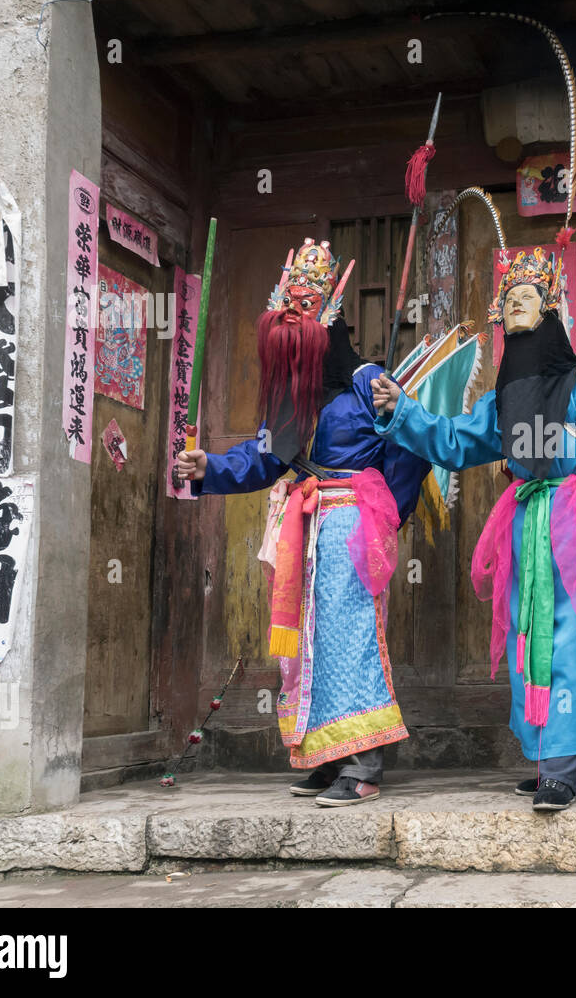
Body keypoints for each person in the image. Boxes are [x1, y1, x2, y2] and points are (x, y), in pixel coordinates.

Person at [371, 243, 576, 812]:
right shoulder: (506, 403)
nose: (517, 308)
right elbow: (451, 442)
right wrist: (403, 409)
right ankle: (565, 758)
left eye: (528, 300)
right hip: (526, 522)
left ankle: (561, 765)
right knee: (531, 637)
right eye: (510, 302)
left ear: (551, 312)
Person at [173, 238, 430, 807]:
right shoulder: (291, 398)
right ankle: (326, 752)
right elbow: (265, 457)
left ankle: (363, 763)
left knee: (348, 636)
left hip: (349, 523)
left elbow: (412, 449)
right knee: (304, 643)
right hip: (304, 527)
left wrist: (388, 511)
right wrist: (208, 466)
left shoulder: (369, 385)